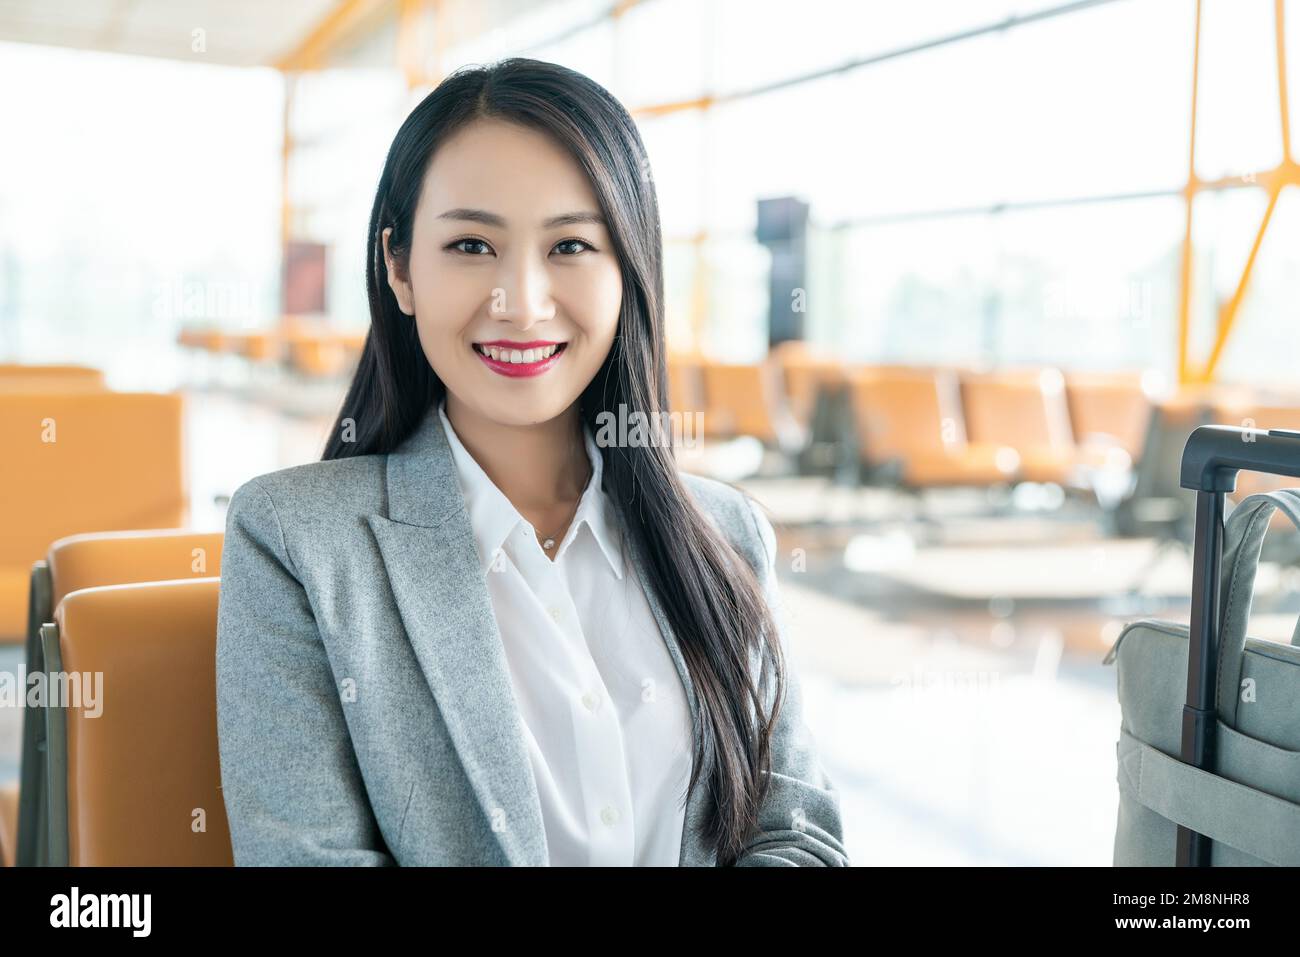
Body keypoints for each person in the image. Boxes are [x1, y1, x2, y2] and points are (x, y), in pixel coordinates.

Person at [215, 57, 848, 867]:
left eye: (572, 245)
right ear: (400, 267)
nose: (521, 300)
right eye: (472, 244)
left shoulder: (729, 533)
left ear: (629, 272)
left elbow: (796, 832)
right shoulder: (295, 540)